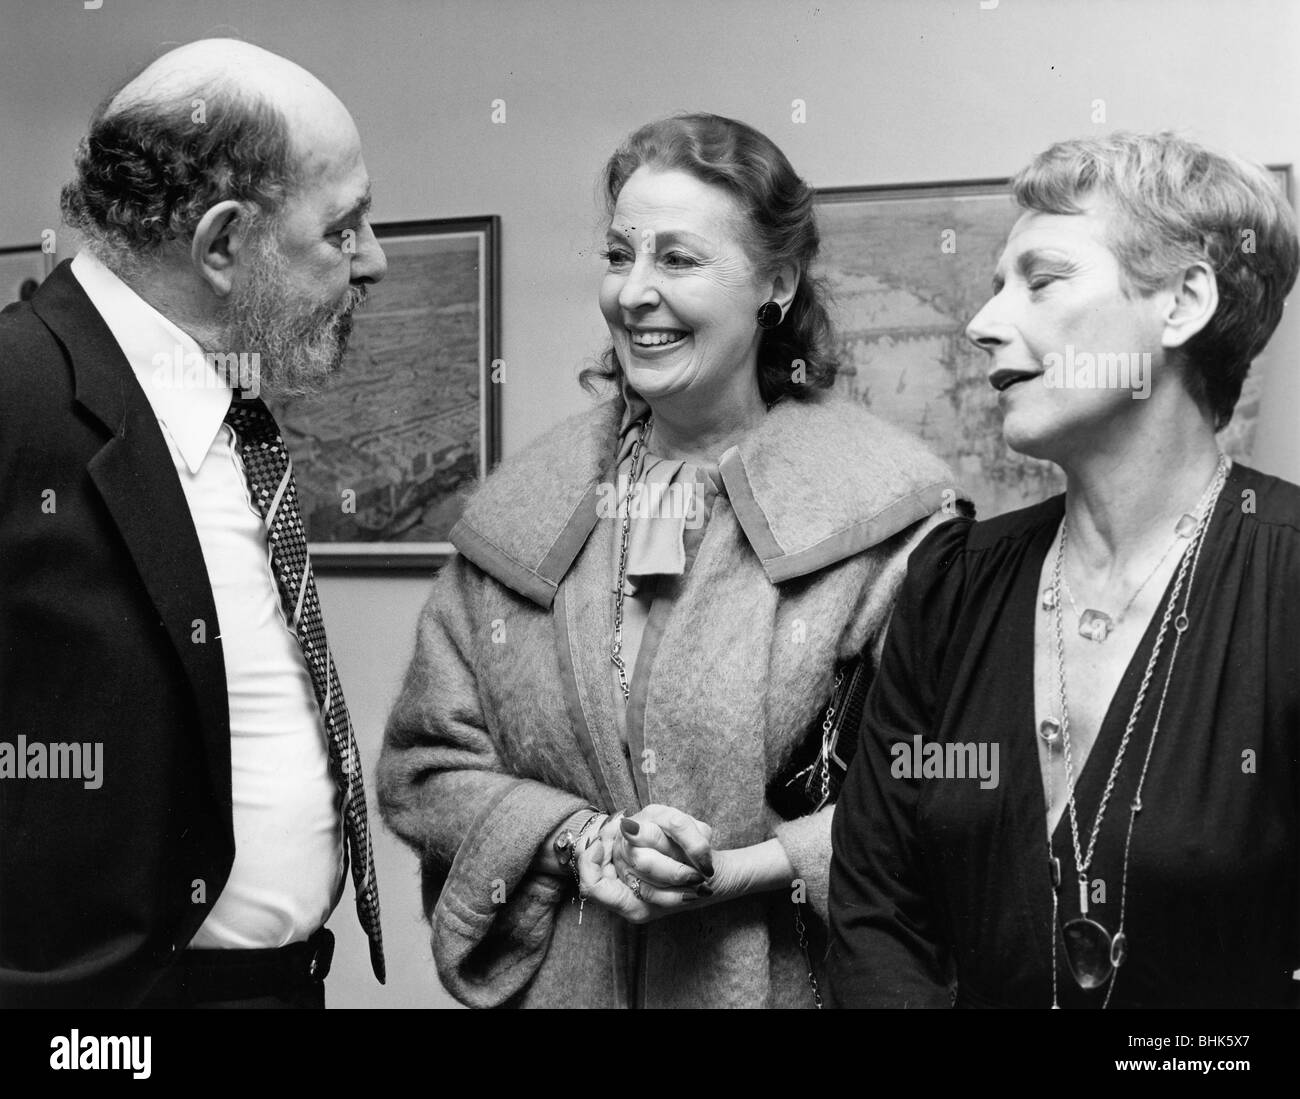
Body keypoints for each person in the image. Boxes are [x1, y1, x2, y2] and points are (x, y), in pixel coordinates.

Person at [378, 113, 965, 1008]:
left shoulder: (890, 517)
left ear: (775, 282)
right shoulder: (521, 512)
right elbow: (423, 766)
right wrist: (578, 838)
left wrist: (744, 868)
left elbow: (939, 795)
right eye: (620, 256)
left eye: (679, 260)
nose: (634, 293)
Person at [826, 131, 1300, 1009]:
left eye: (1040, 281)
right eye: (996, 285)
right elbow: (879, 903)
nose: (983, 322)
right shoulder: (955, 585)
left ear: (1182, 302)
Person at [0, 38, 389, 1008]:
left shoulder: (229, 406)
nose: (372, 260)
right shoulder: (16, 399)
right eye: (343, 229)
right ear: (222, 247)